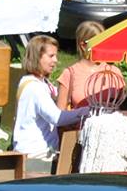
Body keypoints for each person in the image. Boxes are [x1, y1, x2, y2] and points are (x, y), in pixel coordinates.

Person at [12, 35, 88, 173]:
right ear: (37, 57)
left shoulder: (37, 82)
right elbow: (57, 118)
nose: (56, 61)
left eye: (56, 56)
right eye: (51, 56)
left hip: (36, 155)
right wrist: (85, 111)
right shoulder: (35, 88)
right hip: (35, 157)